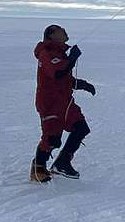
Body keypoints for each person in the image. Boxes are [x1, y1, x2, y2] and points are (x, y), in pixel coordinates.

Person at [32, 24, 95, 182]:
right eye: (61, 30)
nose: (65, 32)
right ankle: (38, 168)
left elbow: (65, 79)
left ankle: (62, 162)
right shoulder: (46, 53)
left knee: (81, 128)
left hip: (65, 102)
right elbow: (58, 73)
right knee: (52, 139)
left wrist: (83, 85)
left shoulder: (60, 54)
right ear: (51, 35)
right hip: (50, 103)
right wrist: (73, 58)